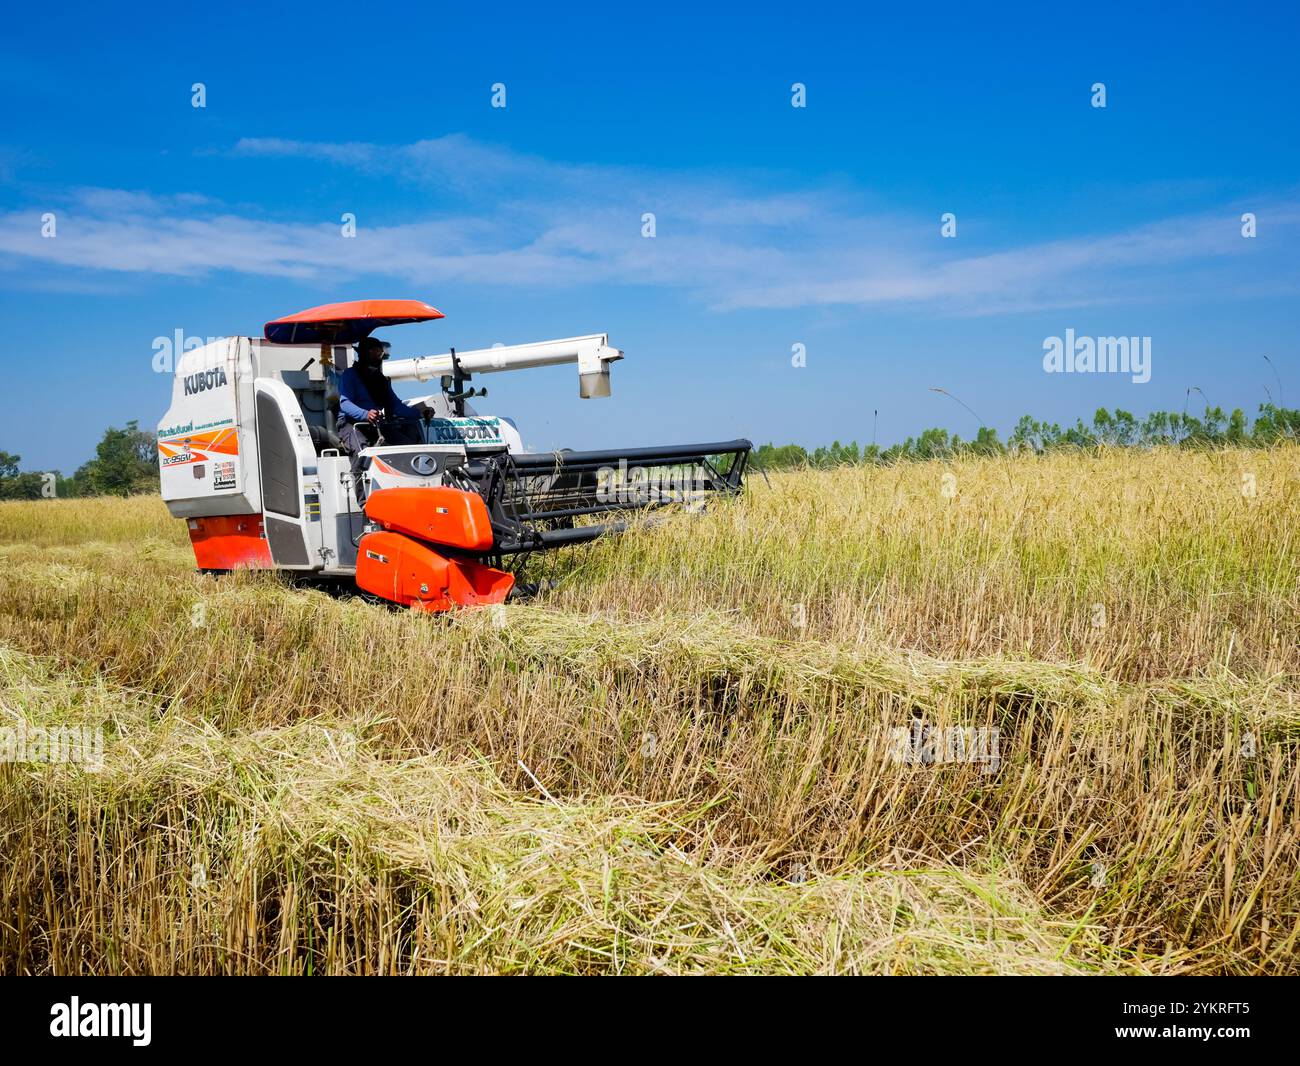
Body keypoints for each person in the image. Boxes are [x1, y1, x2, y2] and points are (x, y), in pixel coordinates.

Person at [336, 337, 423, 489]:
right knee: (361, 453)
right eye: (374, 352)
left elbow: (395, 406)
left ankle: (410, 491)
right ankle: (364, 504)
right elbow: (345, 404)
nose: (378, 356)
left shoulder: (380, 379)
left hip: (375, 424)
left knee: (407, 446)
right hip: (351, 424)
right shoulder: (349, 375)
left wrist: (420, 413)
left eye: (380, 353)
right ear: (363, 353)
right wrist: (365, 414)